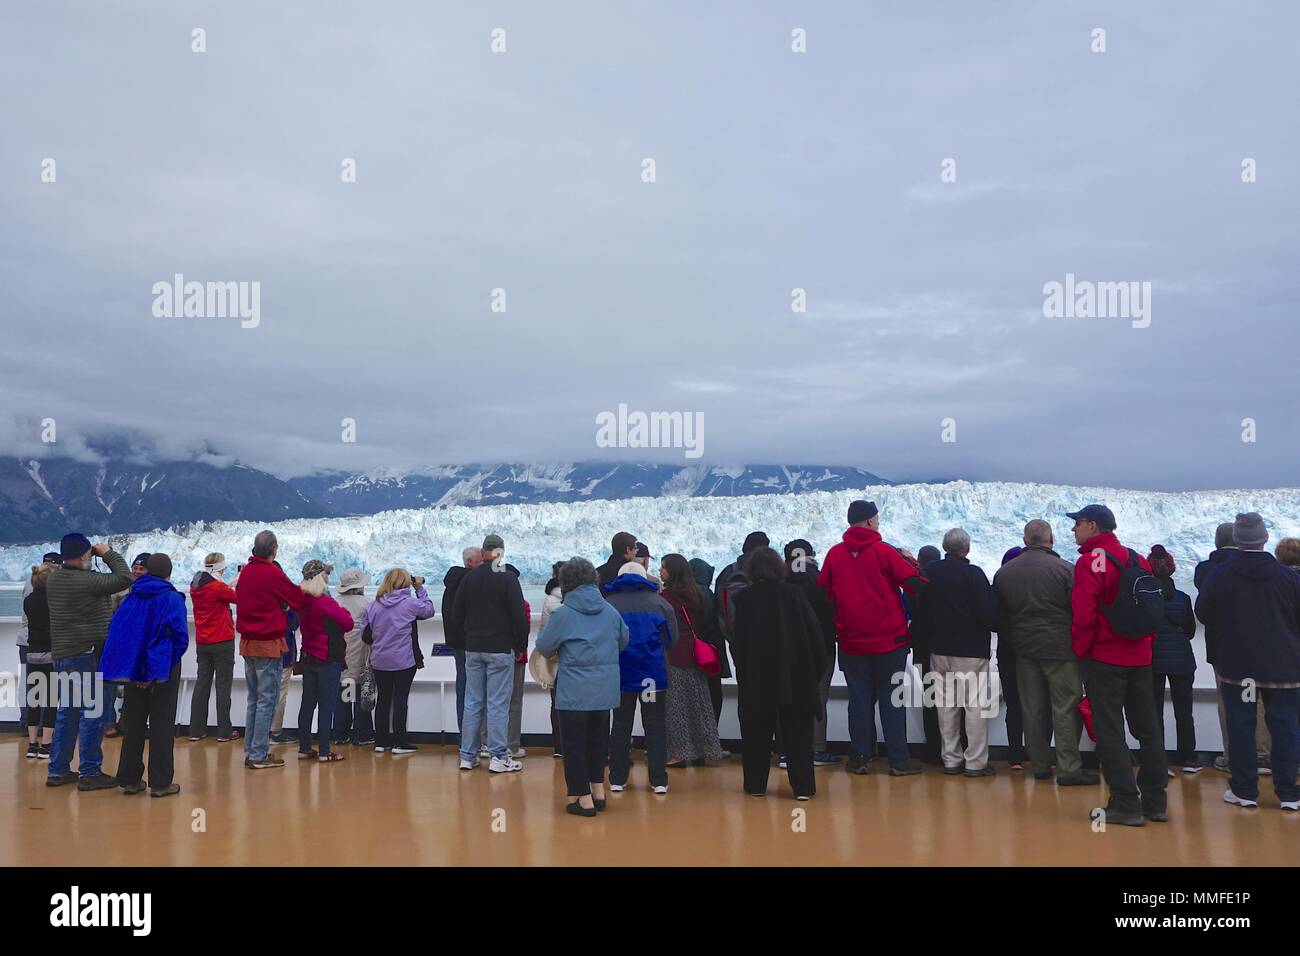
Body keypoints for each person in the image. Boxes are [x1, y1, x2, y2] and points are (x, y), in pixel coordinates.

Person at [1068, 504, 1167, 826]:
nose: (1074, 530)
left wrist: (1081, 652)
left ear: (1093, 526)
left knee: (1110, 730)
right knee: (1149, 729)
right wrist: (1146, 647)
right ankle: (1155, 802)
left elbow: (1083, 615)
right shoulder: (1137, 558)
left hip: (1105, 658)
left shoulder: (1090, 561)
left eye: (1078, 524)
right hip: (1140, 657)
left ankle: (1125, 803)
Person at [1195, 512, 1300, 811]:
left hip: (1240, 670)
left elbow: (1203, 613)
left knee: (1241, 725)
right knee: (1286, 728)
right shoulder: (1288, 577)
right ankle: (1289, 793)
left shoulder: (1220, 575)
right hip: (1283, 669)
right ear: (1265, 538)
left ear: (1238, 541)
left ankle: (1244, 790)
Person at [817, 500, 927, 776]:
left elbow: (824, 595)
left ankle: (860, 756)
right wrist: (910, 560)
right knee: (892, 699)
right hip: (889, 642)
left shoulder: (834, 554)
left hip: (852, 642)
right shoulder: (884, 552)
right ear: (868, 521)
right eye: (876, 519)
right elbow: (915, 585)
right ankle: (898, 760)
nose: (878, 523)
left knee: (859, 699)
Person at [992, 520, 1095, 785]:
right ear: (1051, 540)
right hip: (1061, 649)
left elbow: (999, 616)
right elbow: (1080, 611)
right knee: (1065, 708)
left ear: (1025, 540)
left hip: (1024, 650)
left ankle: (1038, 765)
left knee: (1032, 708)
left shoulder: (1004, 573)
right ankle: (1069, 768)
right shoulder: (1065, 570)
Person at [732, 547, 830, 799]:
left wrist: (744, 673)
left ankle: (755, 785)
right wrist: (813, 671)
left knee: (756, 733)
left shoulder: (744, 599)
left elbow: (738, 642)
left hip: (757, 678)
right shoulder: (794, 594)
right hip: (794, 677)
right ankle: (803, 787)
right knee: (798, 733)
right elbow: (814, 636)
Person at [535, 557, 629, 816]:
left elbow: (544, 647)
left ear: (566, 582)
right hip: (605, 688)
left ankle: (583, 800)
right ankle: (598, 791)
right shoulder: (609, 610)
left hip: (574, 691)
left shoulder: (563, 614)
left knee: (574, 744)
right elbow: (623, 640)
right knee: (598, 741)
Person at [45, 533, 132, 790]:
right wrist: (106, 553)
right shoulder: (87, 581)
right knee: (93, 712)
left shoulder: (54, 579)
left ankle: (58, 770)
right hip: (87, 655)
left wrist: (90, 555)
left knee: (67, 713)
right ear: (85, 555)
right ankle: (90, 771)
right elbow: (124, 577)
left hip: (63, 655)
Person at [100, 554, 188, 797]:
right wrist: (164, 664)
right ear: (169, 574)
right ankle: (160, 783)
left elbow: (118, 631)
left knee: (134, 723)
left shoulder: (132, 597)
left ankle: (129, 779)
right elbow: (180, 637)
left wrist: (133, 667)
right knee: (161, 725)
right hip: (162, 670)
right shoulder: (171, 598)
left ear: (148, 572)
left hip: (133, 669)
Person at [912, 529, 997, 777]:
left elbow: (919, 608)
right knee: (974, 707)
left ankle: (950, 759)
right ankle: (975, 762)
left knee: (946, 706)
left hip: (938, 650)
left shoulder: (930, 573)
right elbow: (987, 613)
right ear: (966, 549)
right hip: (970, 651)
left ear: (944, 546)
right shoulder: (974, 574)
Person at [236, 531, 321, 770]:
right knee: (267, 700)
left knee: (254, 699)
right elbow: (297, 599)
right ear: (274, 549)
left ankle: (252, 749)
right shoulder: (272, 573)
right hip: (268, 644)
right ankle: (259, 754)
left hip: (248, 644)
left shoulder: (247, 572)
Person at [448, 534, 528, 772]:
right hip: (500, 649)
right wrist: (520, 645)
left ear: (483, 553)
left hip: (473, 649)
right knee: (497, 704)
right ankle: (498, 757)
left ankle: (467, 756)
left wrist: (467, 639)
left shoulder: (469, 579)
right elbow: (518, 616)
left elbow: (456, 613)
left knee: (472, 702)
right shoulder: (508, 579)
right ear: (500, 553)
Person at [1195, 522, 1270, 773]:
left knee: (1228, 701)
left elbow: (1203, 611)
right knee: (1259, 700)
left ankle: (1232, 756)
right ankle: (1261, 755)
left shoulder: (1206, 570)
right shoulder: (1271, 569)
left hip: (1223, 647)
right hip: (1262, 644)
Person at [604, 561, 677, 793]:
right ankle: (658, 781)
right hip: (652, 676)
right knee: (655, 726)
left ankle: (617, 779)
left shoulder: (609, 604)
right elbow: (672, 639)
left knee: (621, 725)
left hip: (621, 675)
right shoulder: (660, 603)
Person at [659, 553, 724, 768]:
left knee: (675, 707)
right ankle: (701, 751)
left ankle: (677, 754)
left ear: (673, 572)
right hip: (695, 655)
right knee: (698, 704)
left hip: (673, 654)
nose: (660, 572)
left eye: (664, 568)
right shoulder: (697, 593)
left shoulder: (667, 597)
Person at [362, 568, 433, 754]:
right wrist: (420, 589)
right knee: (400, 699)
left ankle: (381, 741)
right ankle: (400, 742)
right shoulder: (410, 603)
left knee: (383, 699)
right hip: (404, 661)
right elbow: (429, 610)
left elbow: (365, 632)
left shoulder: (374, 605)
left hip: (379, 660)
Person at [784, 540, 840, 766]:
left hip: (789, 649)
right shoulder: (822, 580)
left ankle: (787, 752)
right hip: (821, 648)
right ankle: (817, 750)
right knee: (818, 698)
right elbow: (833, 612)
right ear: (813, 555)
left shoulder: (782, 582)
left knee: (789, 698)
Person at [296, 561, 356, 762]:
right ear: (321, 577)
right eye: (327, 574)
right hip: (327, 658)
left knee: (307, 704)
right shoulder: (326, 603)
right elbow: (347, 623)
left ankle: (304, 747)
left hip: (308, 657)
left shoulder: (302, 601)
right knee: (326, 705)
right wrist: (344, 611)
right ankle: (324, 750)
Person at [1147, 545, 1199, 774]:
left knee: (1154, 711)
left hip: (1153, 659)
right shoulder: (1183, 598)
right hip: (1182, 661)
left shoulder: (1147, 598)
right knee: (1184, 711)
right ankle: (1188, 758)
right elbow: (1189, 631)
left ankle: (1158, 761)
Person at [188, 553, 241, 743]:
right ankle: (224, 731)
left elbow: (220, 588)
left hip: (203, 642)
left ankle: (195, 730)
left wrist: (234, 581)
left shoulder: (195, 585)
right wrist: (241, 581)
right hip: (222, 641)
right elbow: (237, 597)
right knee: (223, 686)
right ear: (221, 567)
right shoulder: (218, 588)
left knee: (202, 684)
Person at [102, 552, 152, 740]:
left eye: (141, 569)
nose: (137, 572)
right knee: (112, 684)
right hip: (119, 643)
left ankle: (126, 720)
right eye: (135, 568)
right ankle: (108, 722)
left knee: (133, 685)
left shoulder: (149, 590)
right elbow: (108, 614)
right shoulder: (120, 588)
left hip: (138, 645)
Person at [442, 546, 482, 731]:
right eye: (480, 560)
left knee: (463, 688)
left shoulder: (451, 584)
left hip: (458, 644)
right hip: (472, 643)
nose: (484, 564)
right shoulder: (471, 582)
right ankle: (475, 739)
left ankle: (465, 738)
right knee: (476, 691)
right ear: (469, 563)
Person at [21, 562, 58, 758]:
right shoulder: (55, 601)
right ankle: (46, 745)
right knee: (51, 700)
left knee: (34, 699)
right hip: (51, 654)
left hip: (32, 654)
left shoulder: (28, 600)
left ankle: (32, 744)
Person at [688, 558, 731, 726]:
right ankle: (711, 740)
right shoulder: (706, 593)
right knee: (713, 695)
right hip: (709, 653)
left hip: (692, 654)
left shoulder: (687, 592)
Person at [333, 567, 374, 746]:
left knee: (344, 697)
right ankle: (362, 734)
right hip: (363, 658)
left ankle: (341, 734)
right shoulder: (368, 603)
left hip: (342, 660)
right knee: (362, 697)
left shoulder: (335, 603)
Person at [912, 544, 943, 765]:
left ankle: (933, 748)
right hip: (946, 646)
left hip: (922, 647)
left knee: (930, 698)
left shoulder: (916, 580)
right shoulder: (946, 577)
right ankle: (954, 746)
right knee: (954, 699)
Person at [715, 532, 768, 638]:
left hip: (736, 636)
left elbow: (717, 603)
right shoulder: (770, 571)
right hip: (767, 634)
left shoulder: (728, 571)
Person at [504, 564, 532, 759]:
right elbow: (525, 628)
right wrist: (519, 649)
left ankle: (487, 743)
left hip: (494, 653)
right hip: (516, 657)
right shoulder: (523, 604)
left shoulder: (490, 603)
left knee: (491, 700)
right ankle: (512, 745)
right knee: (514, 702)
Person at [541, 562, 565, 757]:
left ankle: (559, 746)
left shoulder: (549, 600)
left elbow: (545, 632)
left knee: (555, 702)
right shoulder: (575, 600)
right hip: (573, 658)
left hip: (553, 659)